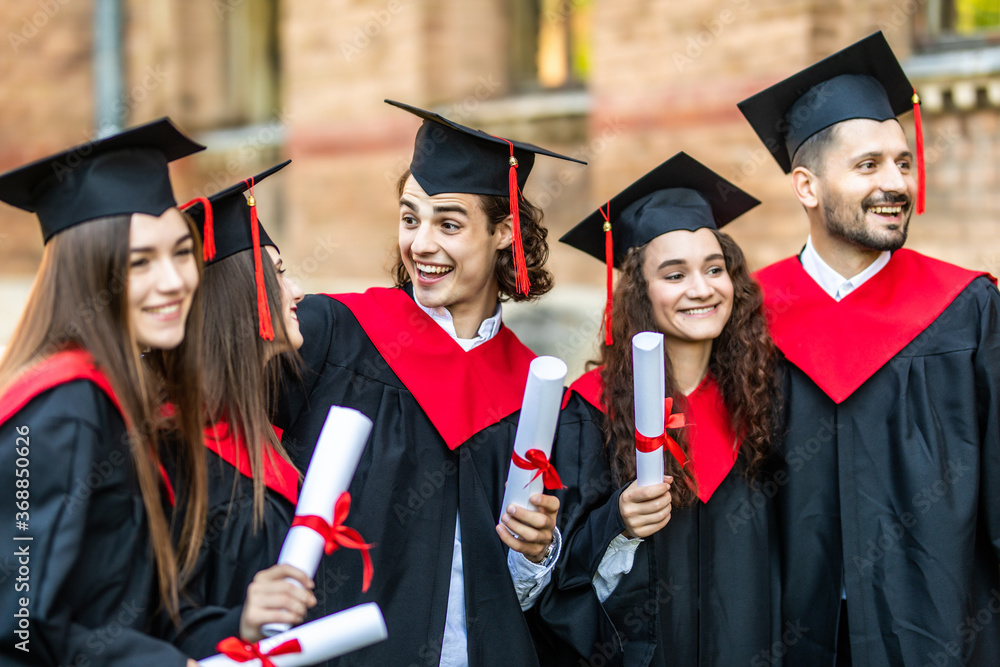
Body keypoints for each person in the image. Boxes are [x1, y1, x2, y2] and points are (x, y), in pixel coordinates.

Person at [274, 100, 585, 666]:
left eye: (448, 223)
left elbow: (516, 600)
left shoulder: (538, 399)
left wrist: (536, 553)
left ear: (502, 233)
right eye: (410, 218)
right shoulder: (332, 337)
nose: (420, 245)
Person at [738, 31, 1000, 666]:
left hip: (940, 626)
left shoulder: (966, 308)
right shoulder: (750, 316)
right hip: (793, 631)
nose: (896, 183)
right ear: (807, 186)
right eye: (868, 166)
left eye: (903, 162)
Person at [536, 152, 781, 666]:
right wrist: (617, 524)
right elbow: (556, 577)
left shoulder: (758, 402)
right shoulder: (588, 412)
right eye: (673, 275)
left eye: (715, 269)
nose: (700, 288)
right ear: (640, 294)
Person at [0, 119, 208, 666]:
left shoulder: (122, 400)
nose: (173, 280)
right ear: (91, 274)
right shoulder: (62, 410)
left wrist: (242, 622)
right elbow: (19, 627)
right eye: (140, 262)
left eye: (182, 252)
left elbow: (119, 609)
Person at [160, 161, 315, 658]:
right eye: (279, 275)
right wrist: (239, 622)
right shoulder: (172, 455)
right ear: (239, 298)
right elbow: (154, 620)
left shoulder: (265, 432)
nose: (298, 292)